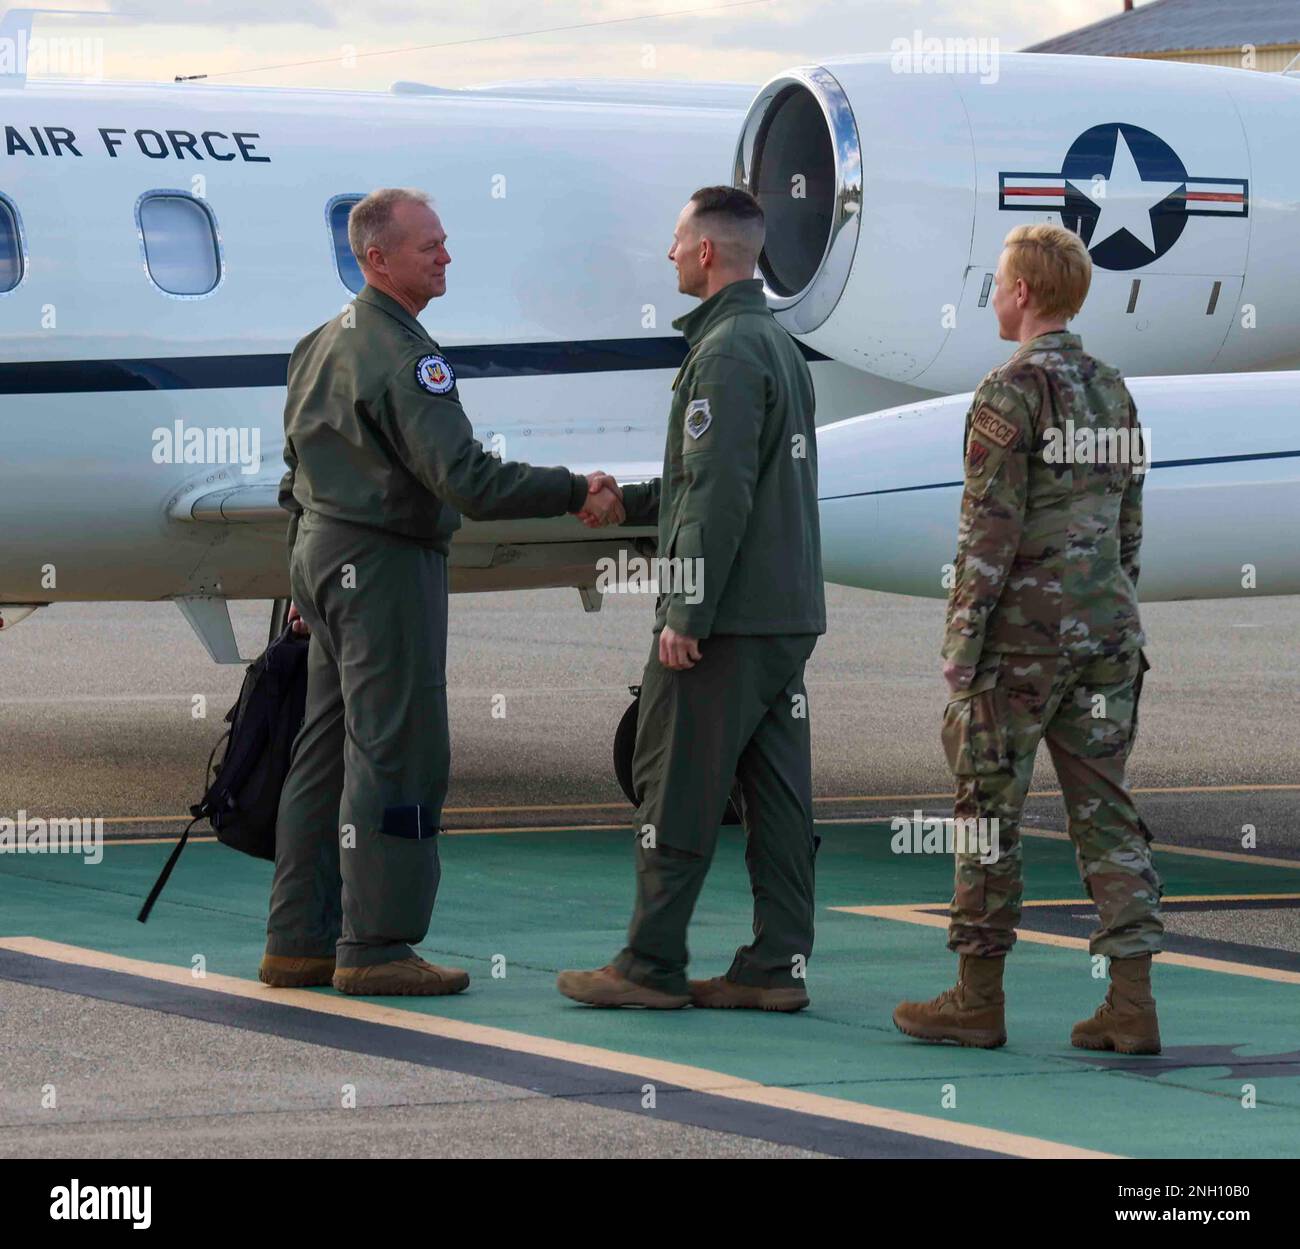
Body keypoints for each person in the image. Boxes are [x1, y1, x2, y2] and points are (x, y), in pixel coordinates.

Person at [261, 187, 623, 997]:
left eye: (446, 241)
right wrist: (574, 487)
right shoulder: (405, 356)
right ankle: (378, 946)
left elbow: (297, 477)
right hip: (385, 567)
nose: (447, 255)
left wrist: (300, 578)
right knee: (398, 751)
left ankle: (298, 941)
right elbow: (465, 478)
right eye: (431, 245)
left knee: (321, 756)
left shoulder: (320, 343)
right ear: (378, 258)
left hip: (322, 563)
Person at [893, 223, 1162, 1053]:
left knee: (986, 814)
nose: (995, 294)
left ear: (1022, 294)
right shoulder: (1114, 390)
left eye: (1001, 282)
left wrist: (962, 645)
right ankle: (1131, 1001)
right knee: (1106, 811)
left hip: (1022, 640)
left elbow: (988, 532)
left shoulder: (1008, 391)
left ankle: (978, 998)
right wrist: (1106, 600)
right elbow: (1128, 522)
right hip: (1107, 630)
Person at [557, 185, 826, 1011]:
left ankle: (650, 962)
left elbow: (718, 492)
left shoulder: (725, 353)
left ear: (708, 252)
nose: (670, 252)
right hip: (781, 614)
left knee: (673, 777)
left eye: (677, 240)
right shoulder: (772, 343)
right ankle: (777, 965)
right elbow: (702, 483)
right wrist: (626, 502)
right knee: (777, 795)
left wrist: (685, 607)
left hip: (728, 618)